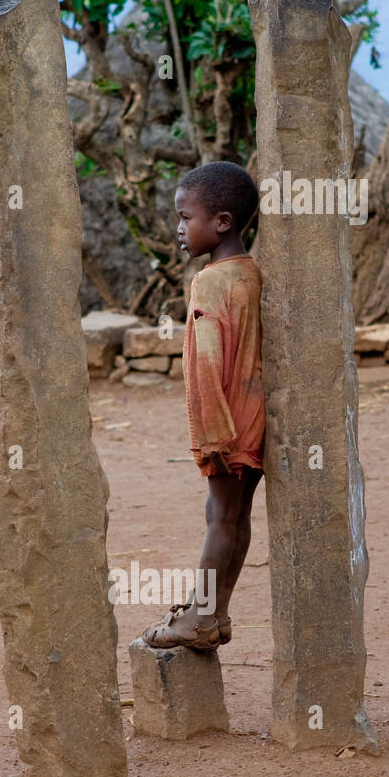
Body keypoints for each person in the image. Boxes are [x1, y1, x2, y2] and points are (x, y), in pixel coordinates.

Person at [141, 162, 265, 651]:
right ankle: (216, 614)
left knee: (219, 516)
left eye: (185, 216)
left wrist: (213, 437)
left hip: (227, 421)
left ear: (222, 222)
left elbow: (208, 365)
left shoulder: (209, 283)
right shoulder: (249, 272)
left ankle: (198, 617)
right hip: (253, 418)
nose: (178, 228)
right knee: (236, 515)